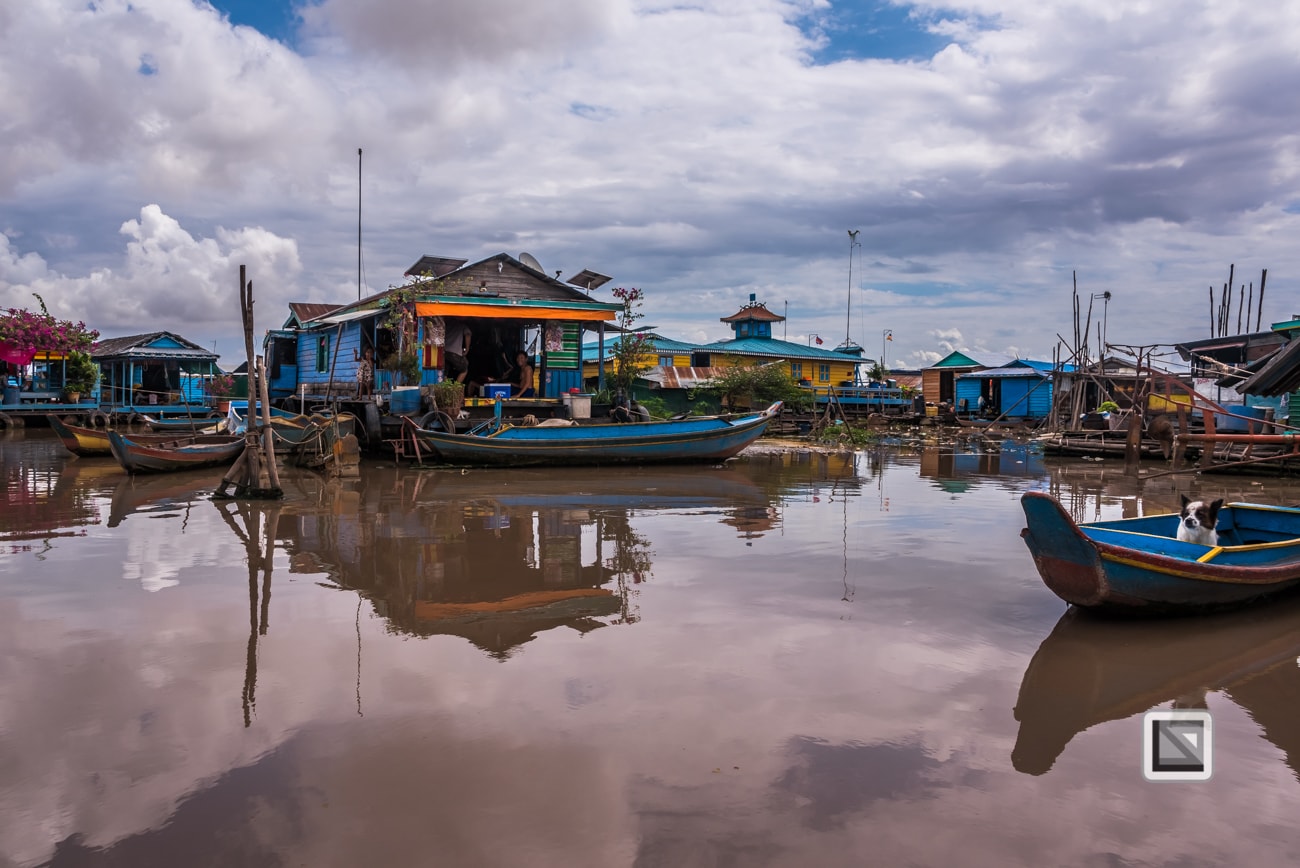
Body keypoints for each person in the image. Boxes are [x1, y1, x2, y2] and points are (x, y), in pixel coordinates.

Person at [444, 319, 470, 385]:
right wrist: (467, 349)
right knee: (464, 369)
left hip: (444, 352)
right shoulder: (462, 325)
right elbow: (468, 334)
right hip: (454, 353)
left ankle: (447, 389)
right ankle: (455, 388)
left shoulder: (446, 324)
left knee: (444, 373)